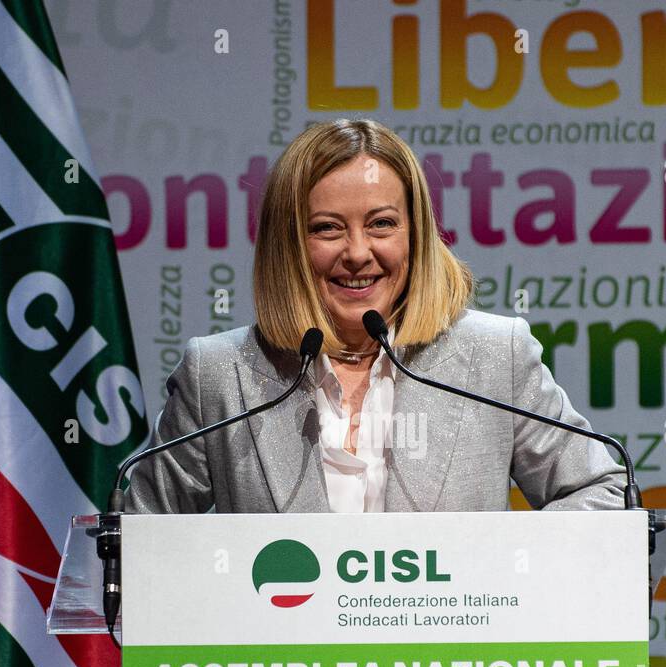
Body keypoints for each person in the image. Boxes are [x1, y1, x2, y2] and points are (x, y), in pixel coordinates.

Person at [124, 118, 625, 514]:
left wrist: (507, 572)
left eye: (382, 224)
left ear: (416, 233)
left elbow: (607, 495)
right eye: (327, 228)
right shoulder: (218, 375)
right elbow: (136, 543)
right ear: (287, 245)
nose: (359, 253)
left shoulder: (495, 357)